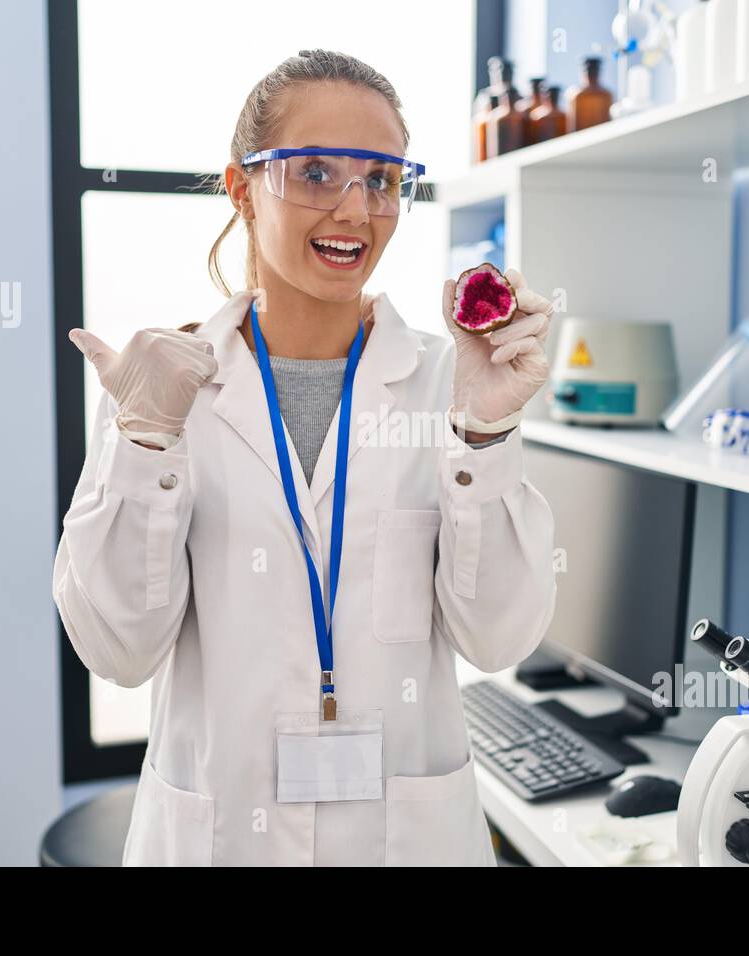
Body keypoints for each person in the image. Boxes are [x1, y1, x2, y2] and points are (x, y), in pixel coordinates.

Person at [53, 49, 557, 866]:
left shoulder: (445, 386)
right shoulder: (167, 388)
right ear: (243, 189)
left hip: (404, 838)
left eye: (382, 179)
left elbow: (499, 639)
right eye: (316, 172)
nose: (356, 209)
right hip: (221, 835)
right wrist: (144, 442)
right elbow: (116, 650)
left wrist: (486, 436)